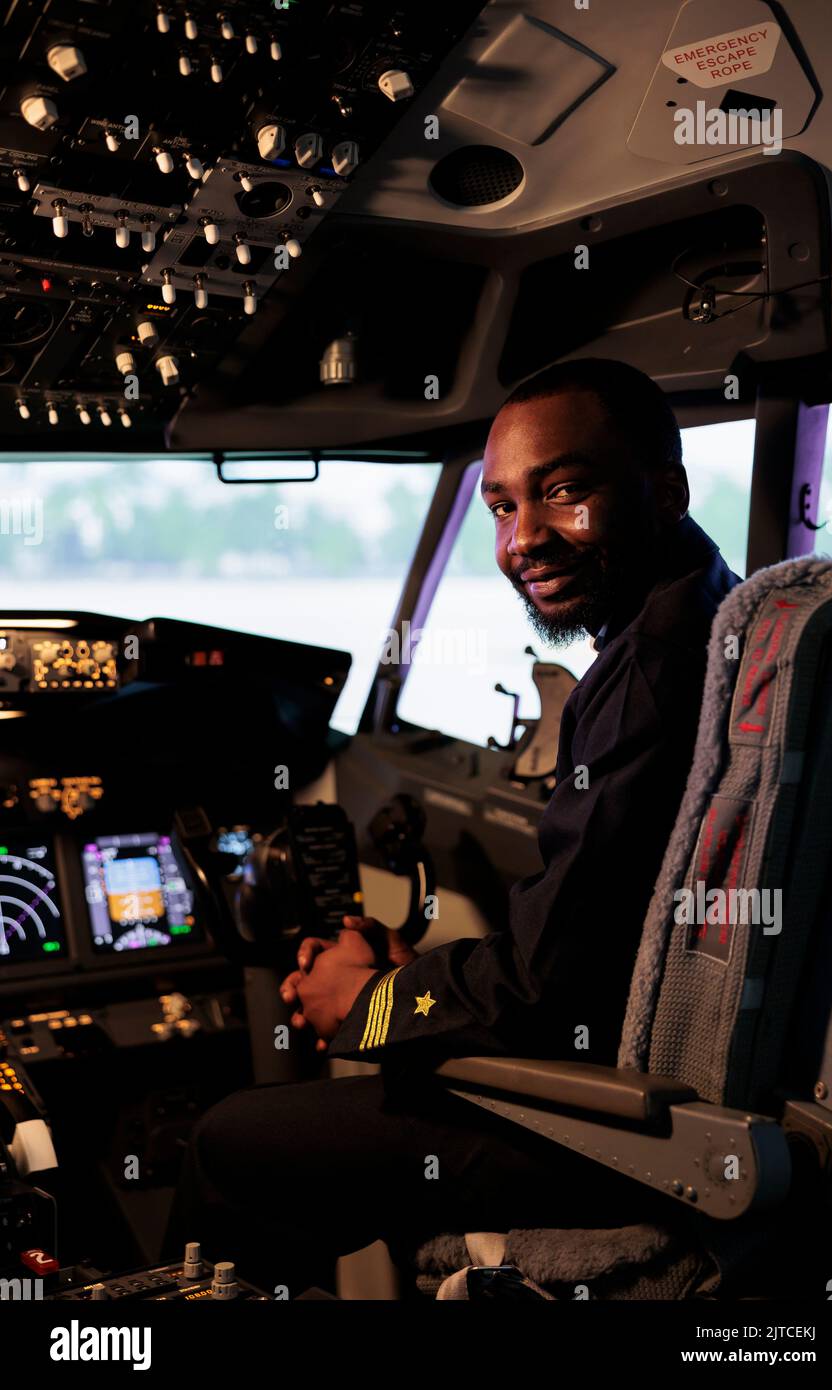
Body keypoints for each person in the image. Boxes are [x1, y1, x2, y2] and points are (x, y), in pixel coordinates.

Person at [165, 358, 740, 1293]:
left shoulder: (647, 677)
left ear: (665, 489)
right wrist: (404, 979)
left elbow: (542, 991)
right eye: (504, 508)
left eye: (564, 492)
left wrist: (368, 1001)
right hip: (679, 1089)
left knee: (231, 1143)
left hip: (633, 1126)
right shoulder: (710, 619)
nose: (526, 540)